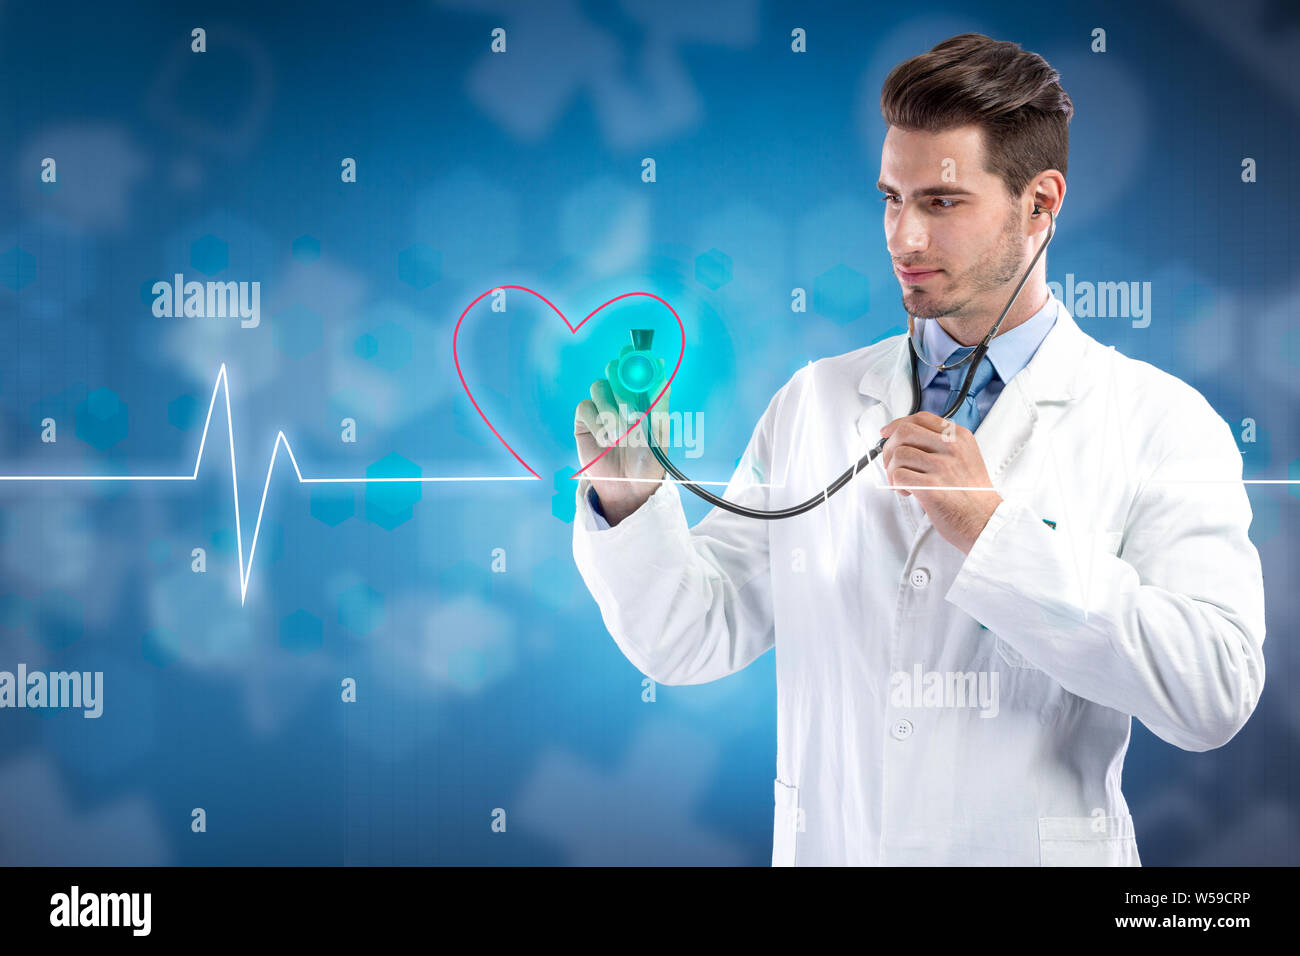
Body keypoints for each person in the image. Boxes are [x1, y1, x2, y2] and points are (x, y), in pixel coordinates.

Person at [570, 33, 1266, 866]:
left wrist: (994, 534)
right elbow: (692, 637)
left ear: (1040, 204)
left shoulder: (1159, 421)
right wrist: (630, 502)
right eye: (890, 198)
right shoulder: (815, 401)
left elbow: (1214, 693)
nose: (902, 238)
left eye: (941, 203)